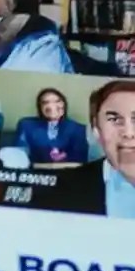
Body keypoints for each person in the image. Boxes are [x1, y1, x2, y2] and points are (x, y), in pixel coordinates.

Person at [35, 80, 135, 218]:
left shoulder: (72, 129)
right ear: (96, 128)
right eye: (115, 119)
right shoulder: (61, 189)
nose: (129, 133)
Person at [14, 88, 89, 165]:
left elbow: (80, 161)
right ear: (40, 107)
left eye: (57, 101)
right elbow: (20, 157)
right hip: (36, 173)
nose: (51, 106)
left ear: (64, 105)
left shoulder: (78, 129)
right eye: (45, 102)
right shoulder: (26, 125)